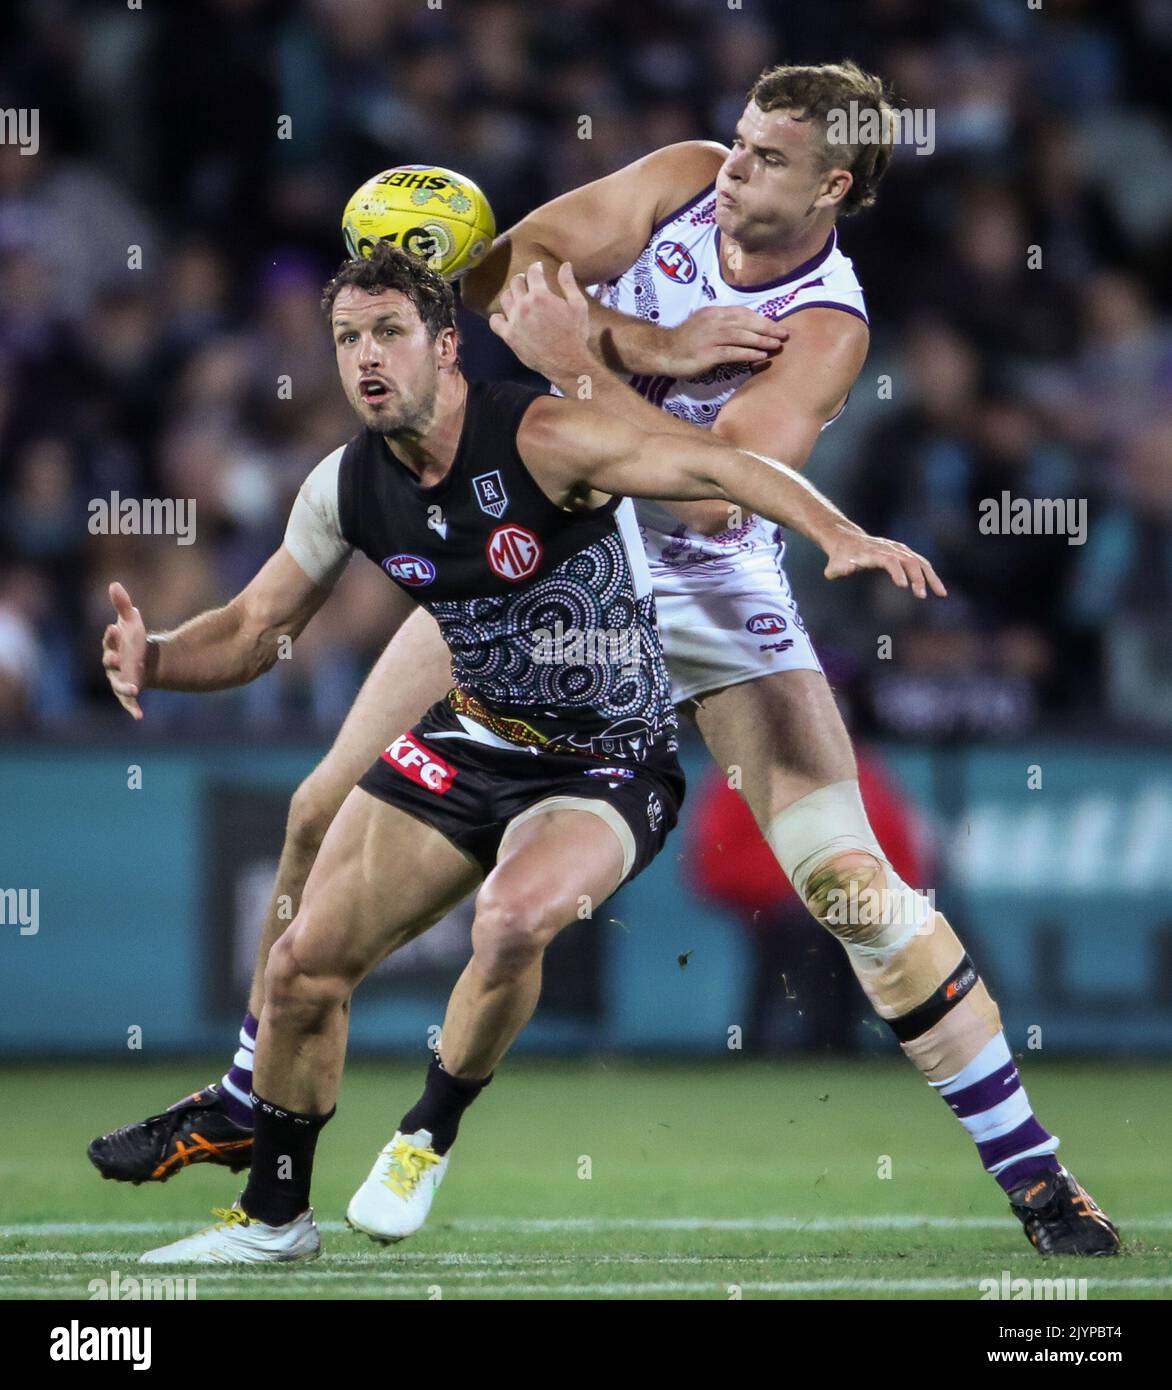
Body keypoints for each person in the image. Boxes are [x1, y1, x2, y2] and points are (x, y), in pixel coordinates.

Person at [92, 59, 1117, 1257]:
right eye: (737, 141)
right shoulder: (682, 181)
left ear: (833, 186)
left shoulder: (828, 326)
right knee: (321, 803)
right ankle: (246, 1098)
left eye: (767, 159)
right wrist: (653, 343)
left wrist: (585, 362)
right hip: (544, 551)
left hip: (702, 586)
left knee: (853, 889)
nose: (731, 168)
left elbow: (715, 502)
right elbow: (500, 267)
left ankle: (1037, 1178)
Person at [101, 241, 934, 1264]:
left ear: (446, 346)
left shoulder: (541, 437)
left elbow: (713, 464)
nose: (366, 357)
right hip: (473, 736)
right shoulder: (345, 486)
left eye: (389, 333)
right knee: (301, 966)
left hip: (605, 764)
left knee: (509, 918)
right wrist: (159, 658)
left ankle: (425, 1133)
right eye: (347, 338)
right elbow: (253, 628)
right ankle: (274, 1221)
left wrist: (834, 529)